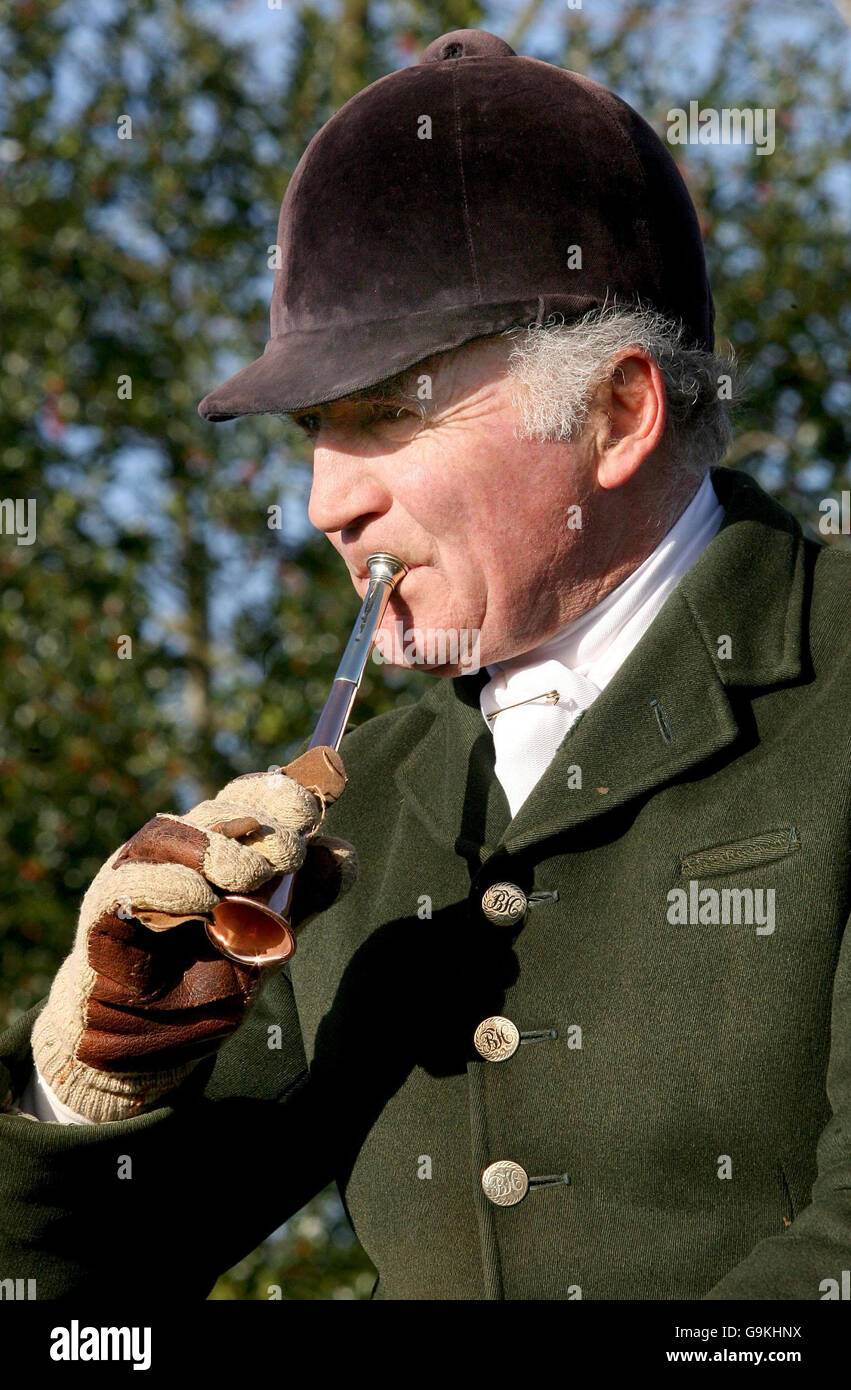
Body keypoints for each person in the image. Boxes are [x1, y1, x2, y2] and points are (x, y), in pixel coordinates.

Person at [1, 28, 849, 1302]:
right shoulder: (368, 813)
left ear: (617, 412)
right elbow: (68, 1295)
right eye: (312, 432)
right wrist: (92, 1085)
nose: (325, 498)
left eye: (388, 411)